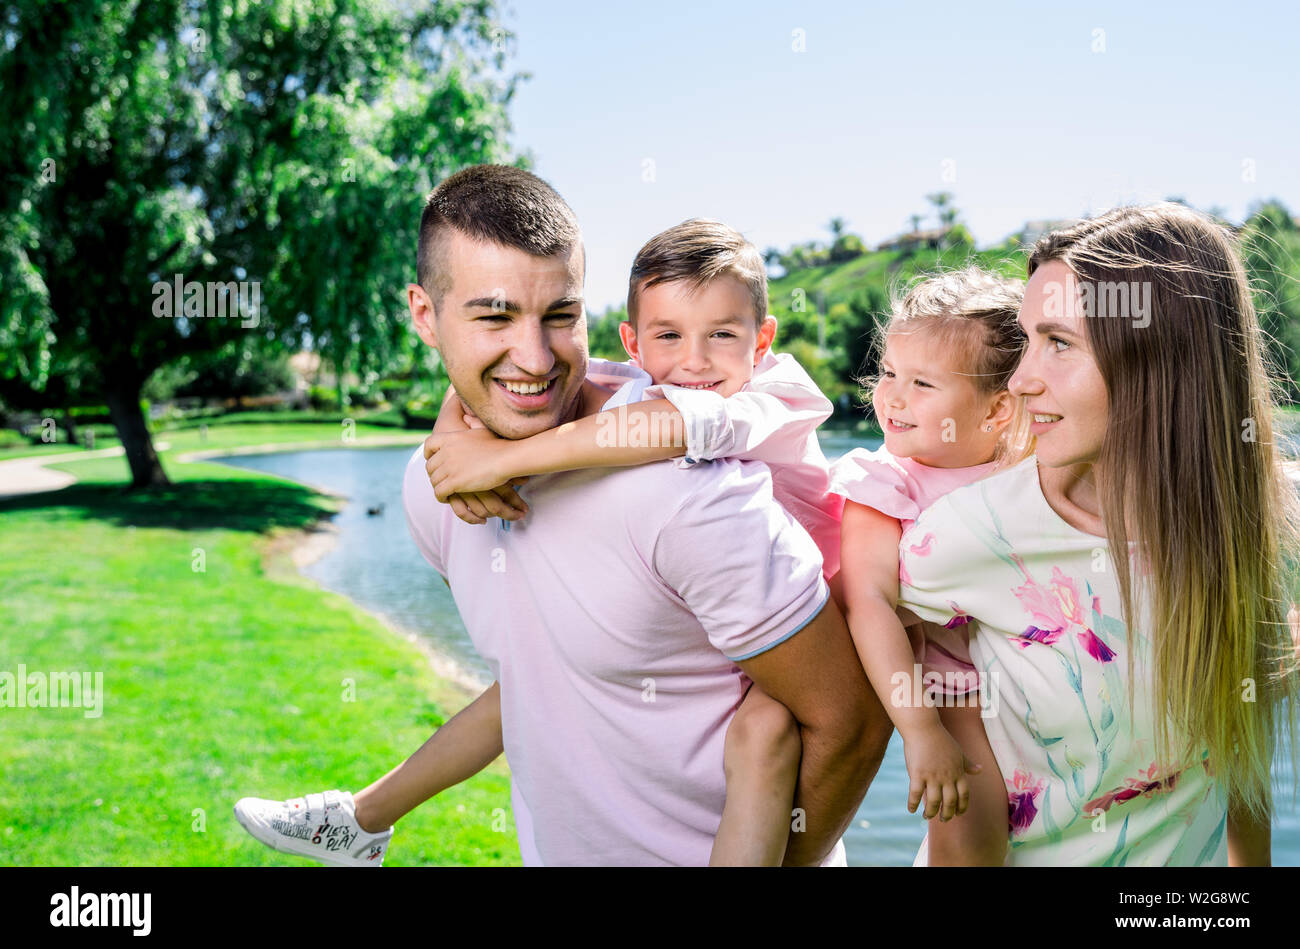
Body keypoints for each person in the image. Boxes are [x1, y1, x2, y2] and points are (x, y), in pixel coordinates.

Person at [234, 164, 889, 866]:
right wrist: (464, 433)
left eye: (560, 315)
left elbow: (850, 722)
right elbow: (534, 670)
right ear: (425, 315)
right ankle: (362, 818)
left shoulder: (693, 493)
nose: (535, 357)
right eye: (494, 315)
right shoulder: (436, 488)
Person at [421, 217, 845, 865]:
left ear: (761, 341)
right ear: (633, 342)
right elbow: (513, 375)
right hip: (741, 619)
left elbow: (672, 427)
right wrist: (454, 430)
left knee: (763, 738)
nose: (694, 361)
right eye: (668, 335)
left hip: (836, 604)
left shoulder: (773, 395)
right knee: (527, 689)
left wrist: (503, 461)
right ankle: (368, 815)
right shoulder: (642, 381)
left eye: (722, 336)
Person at [897, 203, 1300, 865]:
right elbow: (840, 652)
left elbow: (1241, 755)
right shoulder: (973, 534)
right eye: (1028, 341)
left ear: (1160, 357)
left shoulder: (1260, 519)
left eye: (1058, 343)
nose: (1022, 380)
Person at [835, 267, 1031, 865]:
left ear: (997, 409)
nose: (892, 395)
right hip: (958, 689)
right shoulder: (885, 484)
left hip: (1046, 674)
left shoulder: (1029, 468)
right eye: (890, 372)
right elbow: (867, 602)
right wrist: (921, 731)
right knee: (971, 806)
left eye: (922, 383)